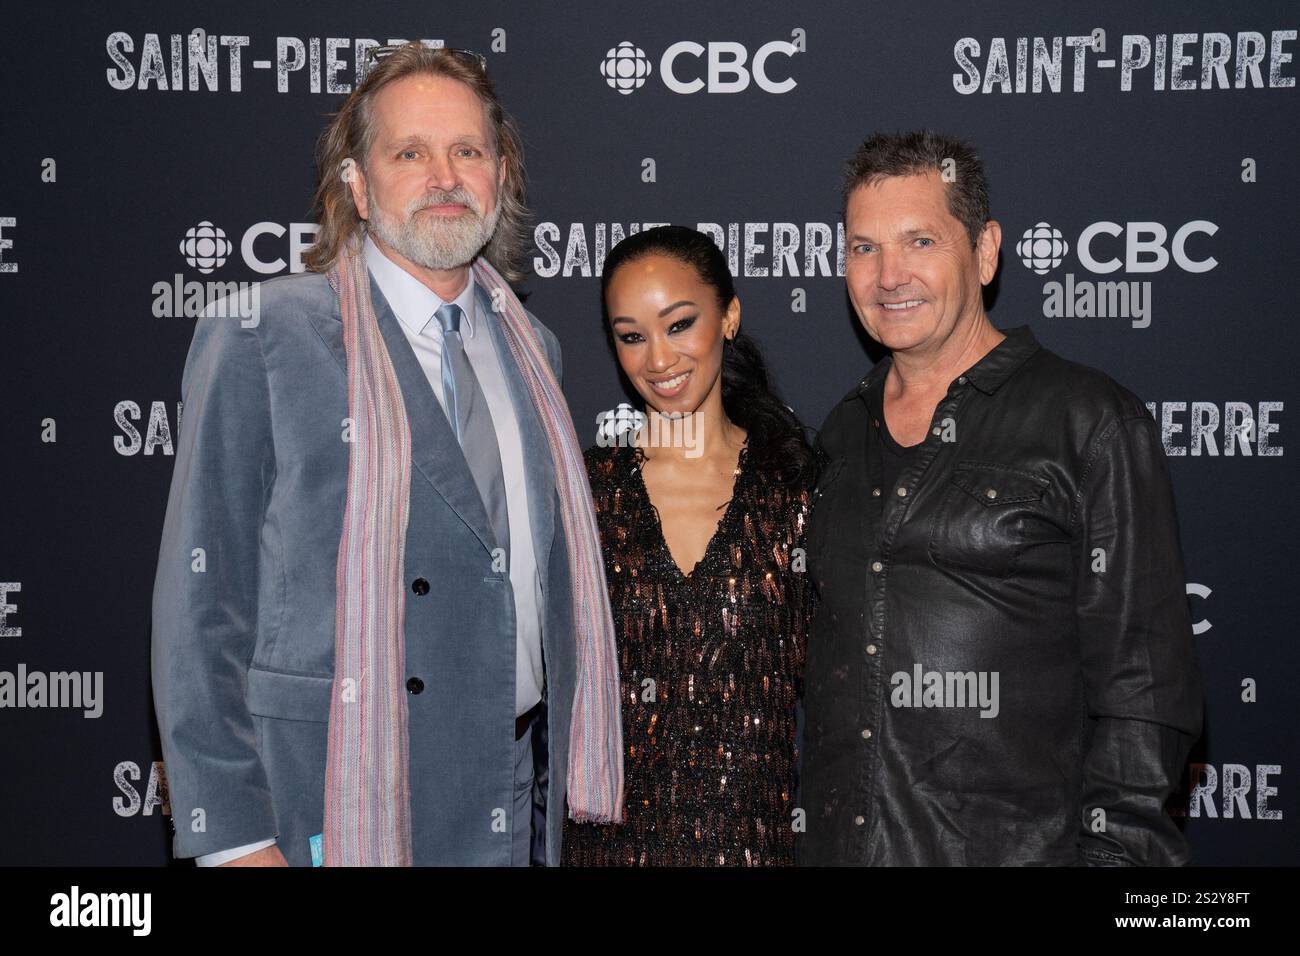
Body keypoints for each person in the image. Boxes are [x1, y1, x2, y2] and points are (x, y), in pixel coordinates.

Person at [151, 42, 623, 867]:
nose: (444, 175)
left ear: (500, 175)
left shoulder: (534, 352)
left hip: (508, 795)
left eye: (467, 151)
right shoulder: (266, 335)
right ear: (358, 187)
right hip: (330, 795)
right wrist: (233, 840)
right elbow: (201, 610)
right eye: (411, 152)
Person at [798, 130, 1202, 866]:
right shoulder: (839, 434)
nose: (889, 275)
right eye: (863, 248)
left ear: (985, 252)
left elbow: (1143, 697)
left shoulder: (1090, 423)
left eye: (920, 240)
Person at [560, 225, 816, 866]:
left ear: (729, 317)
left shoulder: (799, 491)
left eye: (678, 325)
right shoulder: (580, 494)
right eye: (631, 336)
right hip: (607, 851)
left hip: (757, 850)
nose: (658, 360)